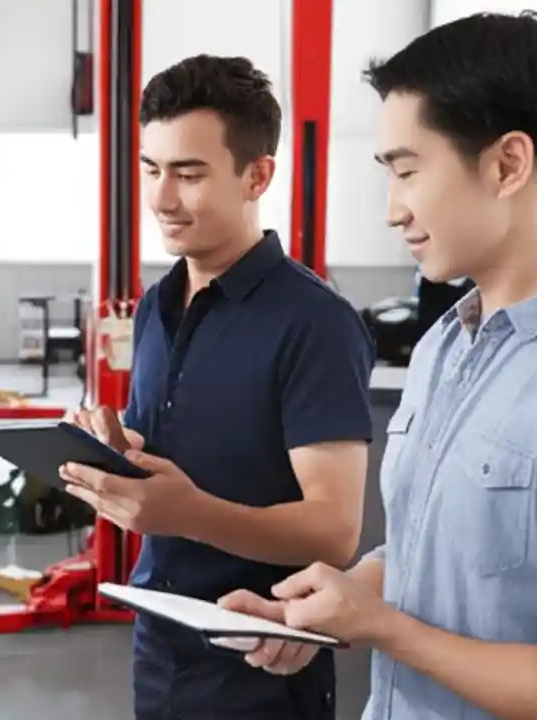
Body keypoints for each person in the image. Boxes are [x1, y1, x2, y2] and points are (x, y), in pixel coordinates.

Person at [220, 12, 537, 720]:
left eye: (407, 171)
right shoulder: (445, 347)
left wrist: (385, 629)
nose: (393, 210)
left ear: (508, 164)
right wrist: (335, 600)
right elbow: (437, 551)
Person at [59, 54, 376, 719]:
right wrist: (112, 455)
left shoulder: (315, 323)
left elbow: (335, 531)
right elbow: (167, 462)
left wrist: (186, 513)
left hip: (261, 656)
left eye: (189, 173)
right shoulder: (155, 305)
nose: (161, 198)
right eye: (151, 169)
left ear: (258, 175)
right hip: (158, 644)